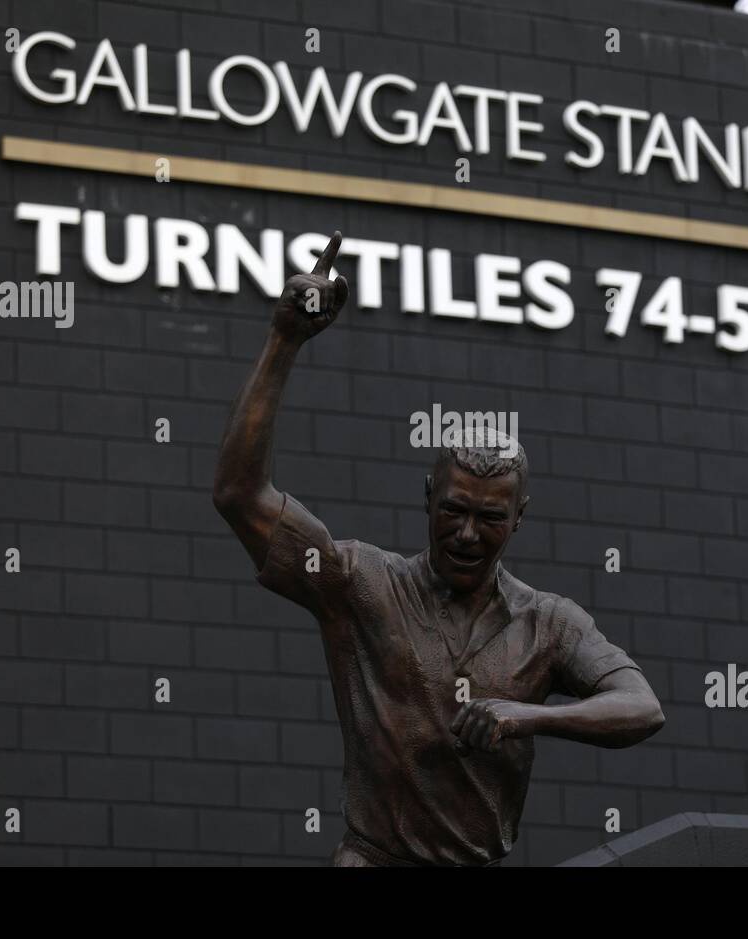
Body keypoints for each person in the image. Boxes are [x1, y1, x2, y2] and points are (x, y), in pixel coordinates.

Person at [213, 232, 666, 867]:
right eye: (452, 510)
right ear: (427, 499)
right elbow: (239, 492)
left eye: (489, 519)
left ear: (519, 520)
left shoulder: (549, 624)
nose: (467, 534)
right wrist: (284, 341)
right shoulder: (362, 583)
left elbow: (642, 708)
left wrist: (523, 715)